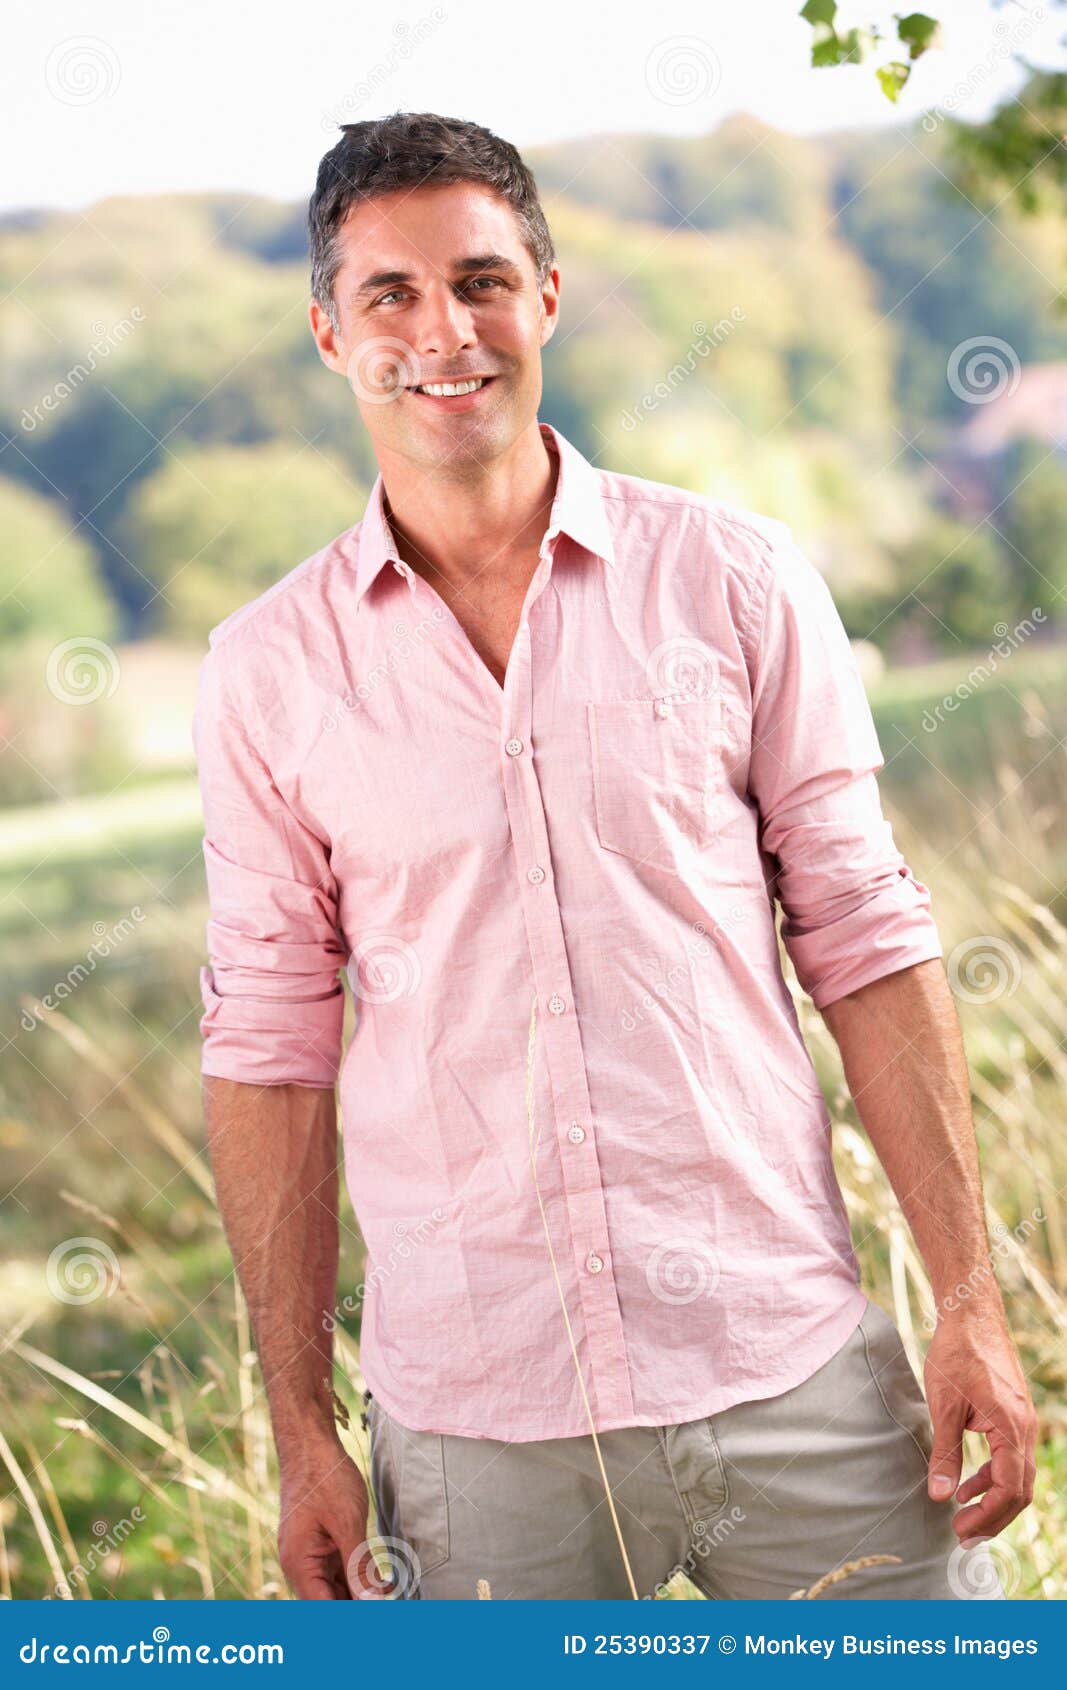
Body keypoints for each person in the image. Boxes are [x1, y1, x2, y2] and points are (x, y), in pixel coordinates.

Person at [192, 112, 1036, 1601]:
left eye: (481, 282)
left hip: (787, 1368)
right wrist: (303, 1430)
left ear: (546, 298)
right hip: (478, 1427)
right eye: (390, 295)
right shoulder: (265, 672)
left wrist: (969, 1300)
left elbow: (867, 935)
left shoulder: (736, 579)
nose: (444, 333)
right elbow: (270, 1049)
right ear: (331, 334)